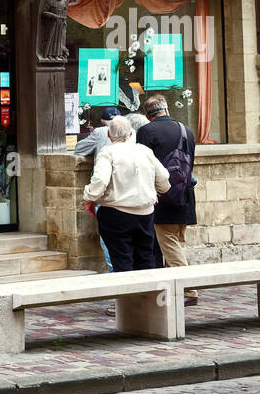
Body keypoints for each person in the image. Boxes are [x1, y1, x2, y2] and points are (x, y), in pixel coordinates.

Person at [82, 116, 171, 272]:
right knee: (145, 258)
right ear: (131, 133)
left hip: (117, 213)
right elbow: (163, 178)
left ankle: (129, 296)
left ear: (109, 135)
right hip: (145, 212)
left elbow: (100, 181)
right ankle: (148, 294)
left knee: (122, 259)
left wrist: (89, 198)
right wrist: (156, 191)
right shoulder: (144, 151)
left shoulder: (108, 152)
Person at [136, 94, 199, 304]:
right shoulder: (185, 130)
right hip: (185, 195)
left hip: (162, 197)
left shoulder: (146, 131)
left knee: (169, 244)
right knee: (177, 242)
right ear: (167, 109)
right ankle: (171, 289)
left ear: (148, 115)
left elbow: (143, 166)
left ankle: (188, 291)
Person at [75, 107, 119, 272]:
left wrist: (89, 197)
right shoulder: (134, 134)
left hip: (106, 192)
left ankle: (114, 269)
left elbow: (79, 149)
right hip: (131, 192)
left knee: (107, 232)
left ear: (102, 122)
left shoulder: (100, 133)